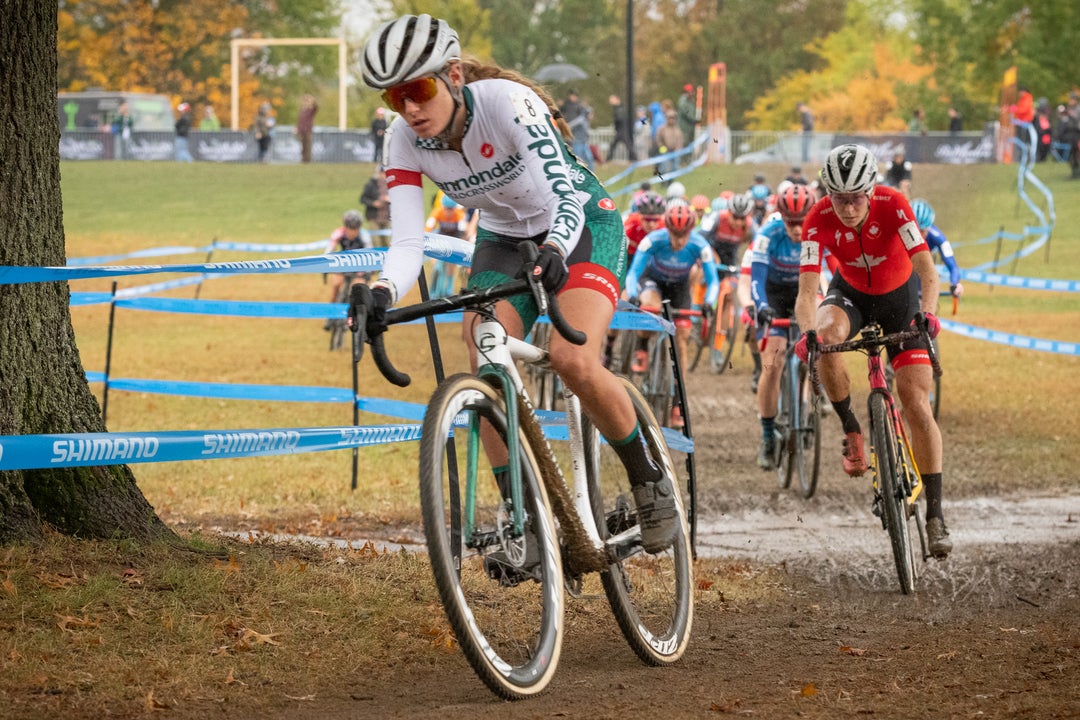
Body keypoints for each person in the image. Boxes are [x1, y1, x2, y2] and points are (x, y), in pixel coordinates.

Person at [358, 13, 679, 554]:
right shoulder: (402, 141)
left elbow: (562, 195)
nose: (410, 109)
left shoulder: (508, 103)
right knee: (485, 363)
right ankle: (524, 519)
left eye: (418, 89)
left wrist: (555, 248)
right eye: (395, 98)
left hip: (579, 223)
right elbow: (408, 243)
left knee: (572, 359)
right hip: (504, 238)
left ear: (454, 76)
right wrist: (383, 291)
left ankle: (650, 480)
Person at [793, 143, 951, 559]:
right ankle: (852, 429)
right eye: (839, 199)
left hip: (902, 300)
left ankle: (935, 515)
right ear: (828, 194)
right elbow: (808, 291)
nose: (847, 209)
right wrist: (808, 331)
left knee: (916, 402)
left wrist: (929, 315)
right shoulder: (816, 218)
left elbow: (928, 273)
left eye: (856, 198)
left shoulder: (896, 205)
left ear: (872, 190)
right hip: (850, 296)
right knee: (825, 338)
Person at [623, 203, 720, 426]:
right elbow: (634, 273)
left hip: (679, 288)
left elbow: (713, 280)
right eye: (674, 234)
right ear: (666, 229)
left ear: (690, 231)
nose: (678, 241)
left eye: (683, 235)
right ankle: (642, 343)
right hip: (652, 281)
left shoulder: (699, 245)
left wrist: (708, 303)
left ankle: (677, 401)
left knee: (682, 339)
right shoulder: (653, 241)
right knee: (650, 307)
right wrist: (635, 295)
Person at [750, 185, 814, 469]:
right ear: (781, 216)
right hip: (774, 295)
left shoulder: (818, 234)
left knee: (818, 350)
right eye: (791, 222)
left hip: (806, 291)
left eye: (802, 222)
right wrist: (761, 306)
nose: (798, 229)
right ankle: (767, 434)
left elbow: (831, 272)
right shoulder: (768, 235)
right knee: (773, 363)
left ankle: (809, 408)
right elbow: (756, 279)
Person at [911, 199, 964, 299]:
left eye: (922, 231)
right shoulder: (899, 232)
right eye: (914, 231)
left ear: (929, 227)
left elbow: (953, 266)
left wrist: (955, 283)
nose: (918, 235)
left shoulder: (938, 237)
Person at [325, 209, 372, 313]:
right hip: (343, 265)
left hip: (359, 267)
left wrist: (367, 271)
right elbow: (329, 250)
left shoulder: (364, 236)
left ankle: (357, 313)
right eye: (350, 228)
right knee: (336, 284)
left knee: (358, 289)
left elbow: (369, 254)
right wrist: (326, 265)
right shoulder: (338, 233)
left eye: (355, 228)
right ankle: (330, 312)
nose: (352, 231)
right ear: (345, 227)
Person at [560, 89, 594, 171]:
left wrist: (568, 125)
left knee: (586, 157)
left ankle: (589, 171)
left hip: (580, 137)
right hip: (573, 134)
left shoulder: (580, 107)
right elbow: (559, 112)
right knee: (576, 154)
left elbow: (582, 118)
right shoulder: (566, 104)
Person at [359, 166, 391, 246]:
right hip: (374, 217)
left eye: (384, 173)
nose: (383, 175)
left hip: (387, 217)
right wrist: (373, 203)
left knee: (387, 241)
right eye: (381, 173)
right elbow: (363, 199)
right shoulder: (370, 185)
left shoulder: (390, 185)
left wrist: (390, 199)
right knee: (376, 241)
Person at [607, 94, 635, 162]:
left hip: (622, 130)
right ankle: (608, 159)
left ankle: (634, 159)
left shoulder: (620, 108)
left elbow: (620, 119)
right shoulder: (618, 108)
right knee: (614, 145)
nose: (610, 101)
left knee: (628, 146)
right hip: (620, 129)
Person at [296, 93, 318, 163]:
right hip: (302, 130)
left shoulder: (311, 110)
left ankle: (308, 160)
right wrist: (297, 129)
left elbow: (316, 107)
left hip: (308, 130)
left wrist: (312, 101)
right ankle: (303, 160)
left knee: (308, 146)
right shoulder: (302, 110)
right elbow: (299, 121)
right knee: (303, 146)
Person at [676, 83, 698, 148]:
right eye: (691, 91)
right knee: (684, 145)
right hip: (684, 128)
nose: (692, 93)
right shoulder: (683, 100)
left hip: (689, 128)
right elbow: (685, 110)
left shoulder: (690, 100)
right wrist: (693, 118)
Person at [1034, 98, 1053, 163]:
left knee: (1044, 147)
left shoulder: (1045, 113)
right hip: (1041, 133)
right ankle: (1040, 159)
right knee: (1040, 148)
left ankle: (1042, 159)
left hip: (1045, 133)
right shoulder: (1038, 114)